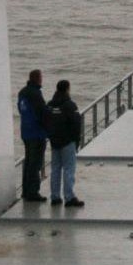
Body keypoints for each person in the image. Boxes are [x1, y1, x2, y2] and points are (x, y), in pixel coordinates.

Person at [45, 79, 85, 208]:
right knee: (69, 169)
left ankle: (55, 197)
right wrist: (77, 140)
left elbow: (45, 120)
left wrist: (50, 136)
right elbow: (76, 124)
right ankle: (69, 197)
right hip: (68, 142)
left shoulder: (50, 105)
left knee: (55, 169)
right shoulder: (70, 105)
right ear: (67, 89)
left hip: (54, 142)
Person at [16, 69, 50, 201]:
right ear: (37, 78)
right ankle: (33, 192)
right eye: (41, 77)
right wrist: (48, 129)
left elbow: (21, 110)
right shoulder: (35, 94)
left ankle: (25, 190)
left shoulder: (22, 93)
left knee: (29, 162)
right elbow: (42, 113)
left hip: (26, 132)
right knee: (35, 163)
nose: (42, 79)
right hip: (37, 133)